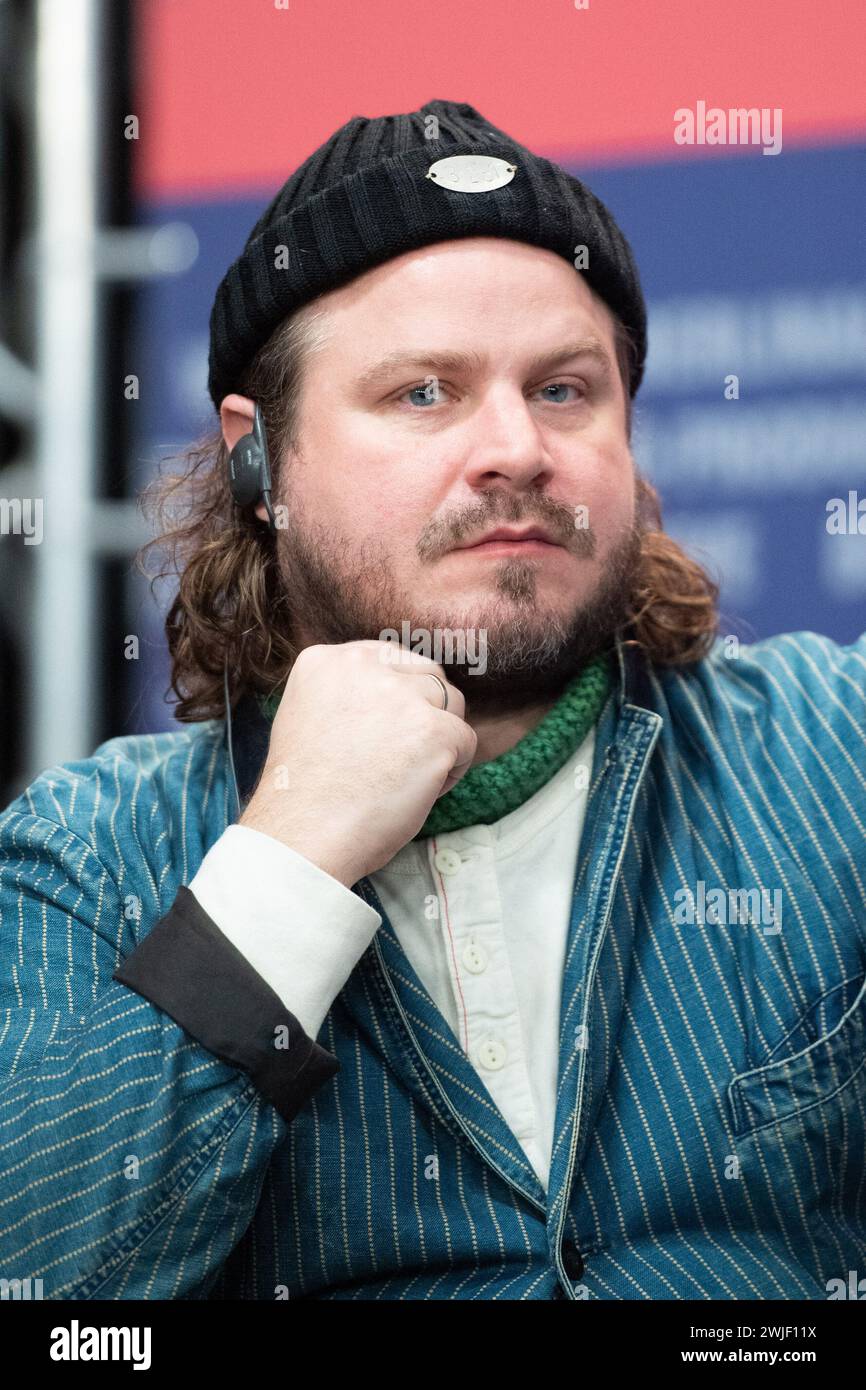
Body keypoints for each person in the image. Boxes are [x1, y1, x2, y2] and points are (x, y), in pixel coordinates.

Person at [1, 99, 864, 1302]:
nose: (514, 446)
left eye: (563, 390)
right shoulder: (88, 856)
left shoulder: (836, 749)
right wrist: (284, 862)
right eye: (423, 393)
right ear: (258, 460)